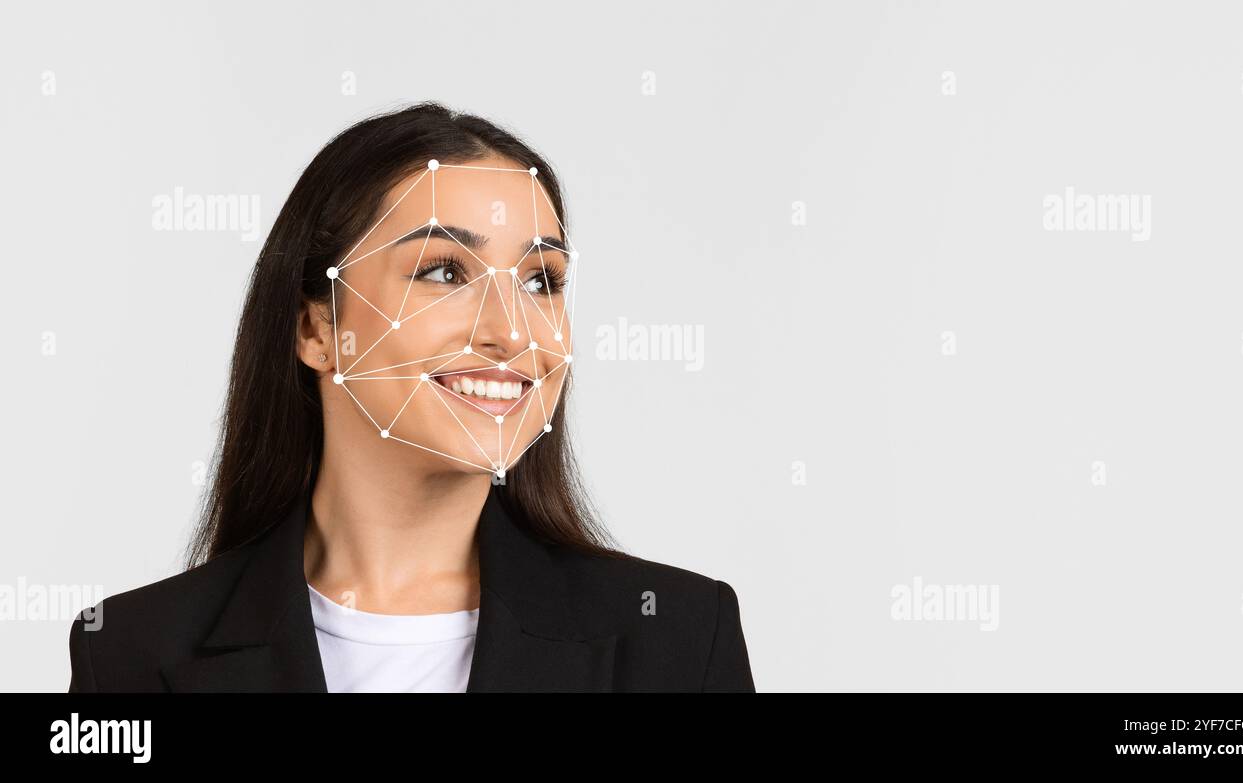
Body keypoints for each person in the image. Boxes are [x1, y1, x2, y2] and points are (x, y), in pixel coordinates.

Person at [66, 102, 755, 692]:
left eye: (541, 280)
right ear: (318, 327)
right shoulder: (133, 655)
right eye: (444, 270)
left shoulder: (679, 643)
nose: (511, 330)